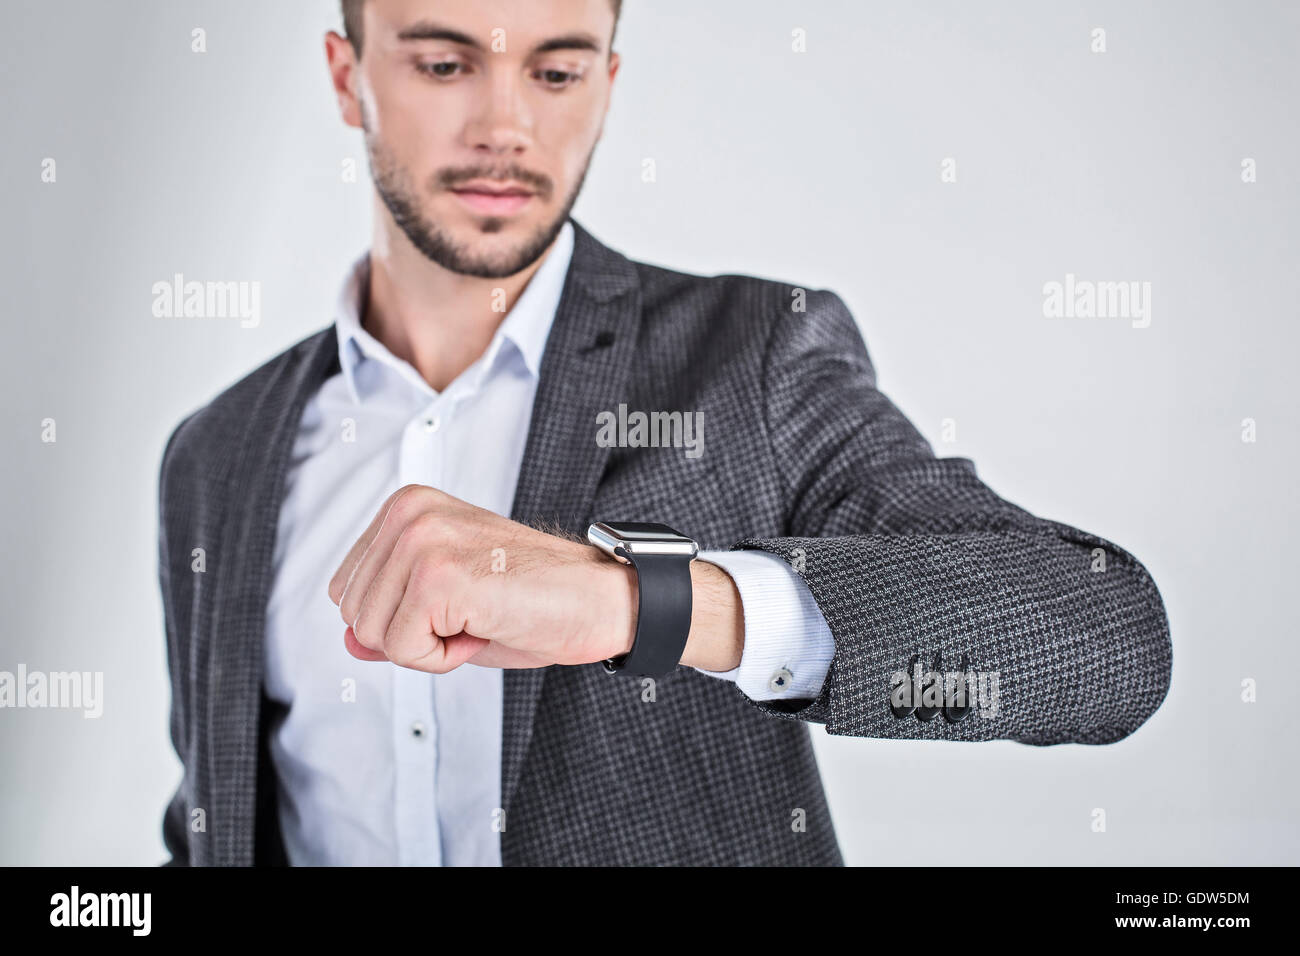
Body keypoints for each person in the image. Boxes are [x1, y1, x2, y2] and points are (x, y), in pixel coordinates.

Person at [157, 0, 1172, 866]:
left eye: (555, 69)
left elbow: (1106, 637)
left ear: (606, 80)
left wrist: (643, 602)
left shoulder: (752, 356)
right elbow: (219, 816)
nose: (504, 123)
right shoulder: (216, 454)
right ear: (348, 77)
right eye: (443, 62)